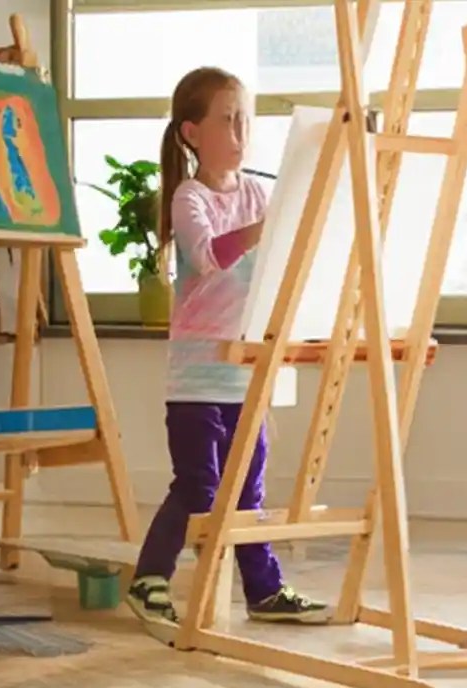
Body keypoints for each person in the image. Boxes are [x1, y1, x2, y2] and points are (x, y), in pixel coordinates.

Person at [126, 67, 327, 632]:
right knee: (198, 489)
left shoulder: (258, 193)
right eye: (228, 119)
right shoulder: (190, 197)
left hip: (247, 376)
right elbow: (210, 254)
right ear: (192, 133)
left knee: (248, 492)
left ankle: (263, 590)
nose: (242, 130)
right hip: (196, 382)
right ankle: (149, 578)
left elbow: (282, 268)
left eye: (246, 118)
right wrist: (269, 224)